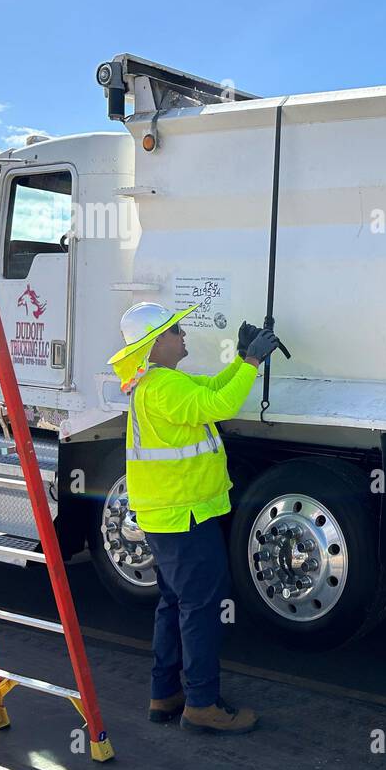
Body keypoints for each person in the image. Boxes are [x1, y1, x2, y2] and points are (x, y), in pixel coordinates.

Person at [107, 304, 283, 734]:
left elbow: (213, 389)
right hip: (182, 516)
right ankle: (201, 704)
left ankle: (165, 693)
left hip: (169, 514)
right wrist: (255, 361)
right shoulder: (164, 387)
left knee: (174, 602)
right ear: (155, 343)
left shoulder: (160, 383)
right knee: (201, 607)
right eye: (177, 331)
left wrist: (242, 359)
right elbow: (220, 405)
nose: (184, 336)